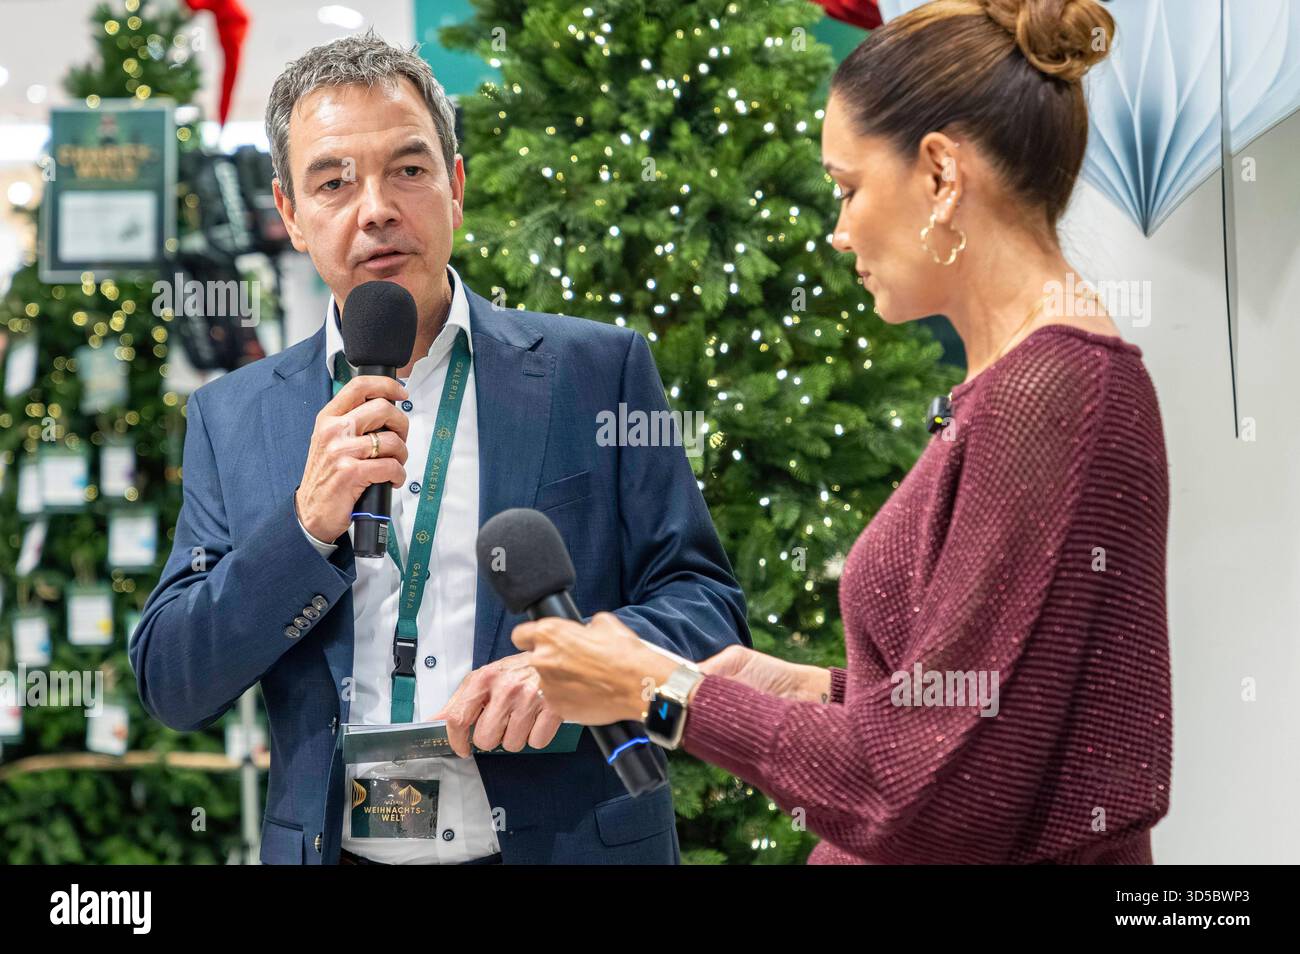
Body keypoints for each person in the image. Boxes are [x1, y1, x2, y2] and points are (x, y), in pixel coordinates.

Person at [512, 0, 1174, 864]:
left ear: (940, 175)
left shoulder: (1050, 396)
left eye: (848, 188)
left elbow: (920, 795)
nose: (838, 230)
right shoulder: (1025, 385)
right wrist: (809, 690)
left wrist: (654, 686)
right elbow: (993, 722)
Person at [128, 31, 749, 865]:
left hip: (569, 844)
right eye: (333, 181)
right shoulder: (233, 418)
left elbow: (705, 603)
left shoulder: (599, 370)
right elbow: (175, 682)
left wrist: (582, 664)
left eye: (409, 169)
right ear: (291, 215)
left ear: (456, 186)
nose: (375, 206)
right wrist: (305, 530)